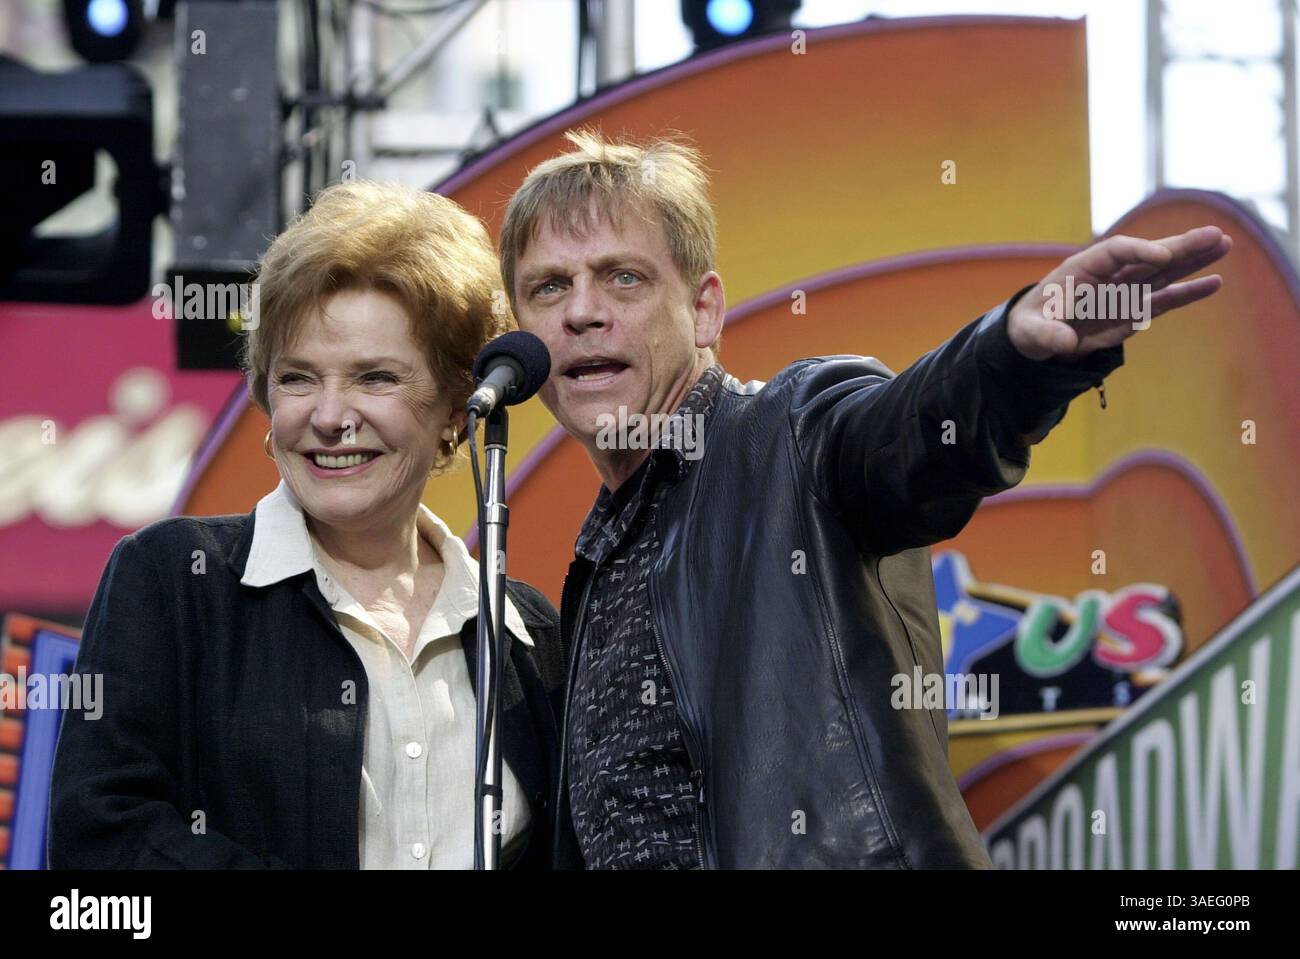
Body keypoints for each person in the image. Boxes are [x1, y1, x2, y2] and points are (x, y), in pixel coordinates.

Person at [497, 129, 1232, 869]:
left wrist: (1010, 359)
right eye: (550, 287)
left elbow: (906, 437)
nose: (582, 311)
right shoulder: (596, 559)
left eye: (622, 276)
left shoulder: (790, 430)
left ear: (705, 309)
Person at [48, 181, 568, 869]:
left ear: (453, 407)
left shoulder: (528, 634)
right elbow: (98, 842)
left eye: (374, 378)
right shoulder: (172, 580)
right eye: (297, 378)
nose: (329, 415)